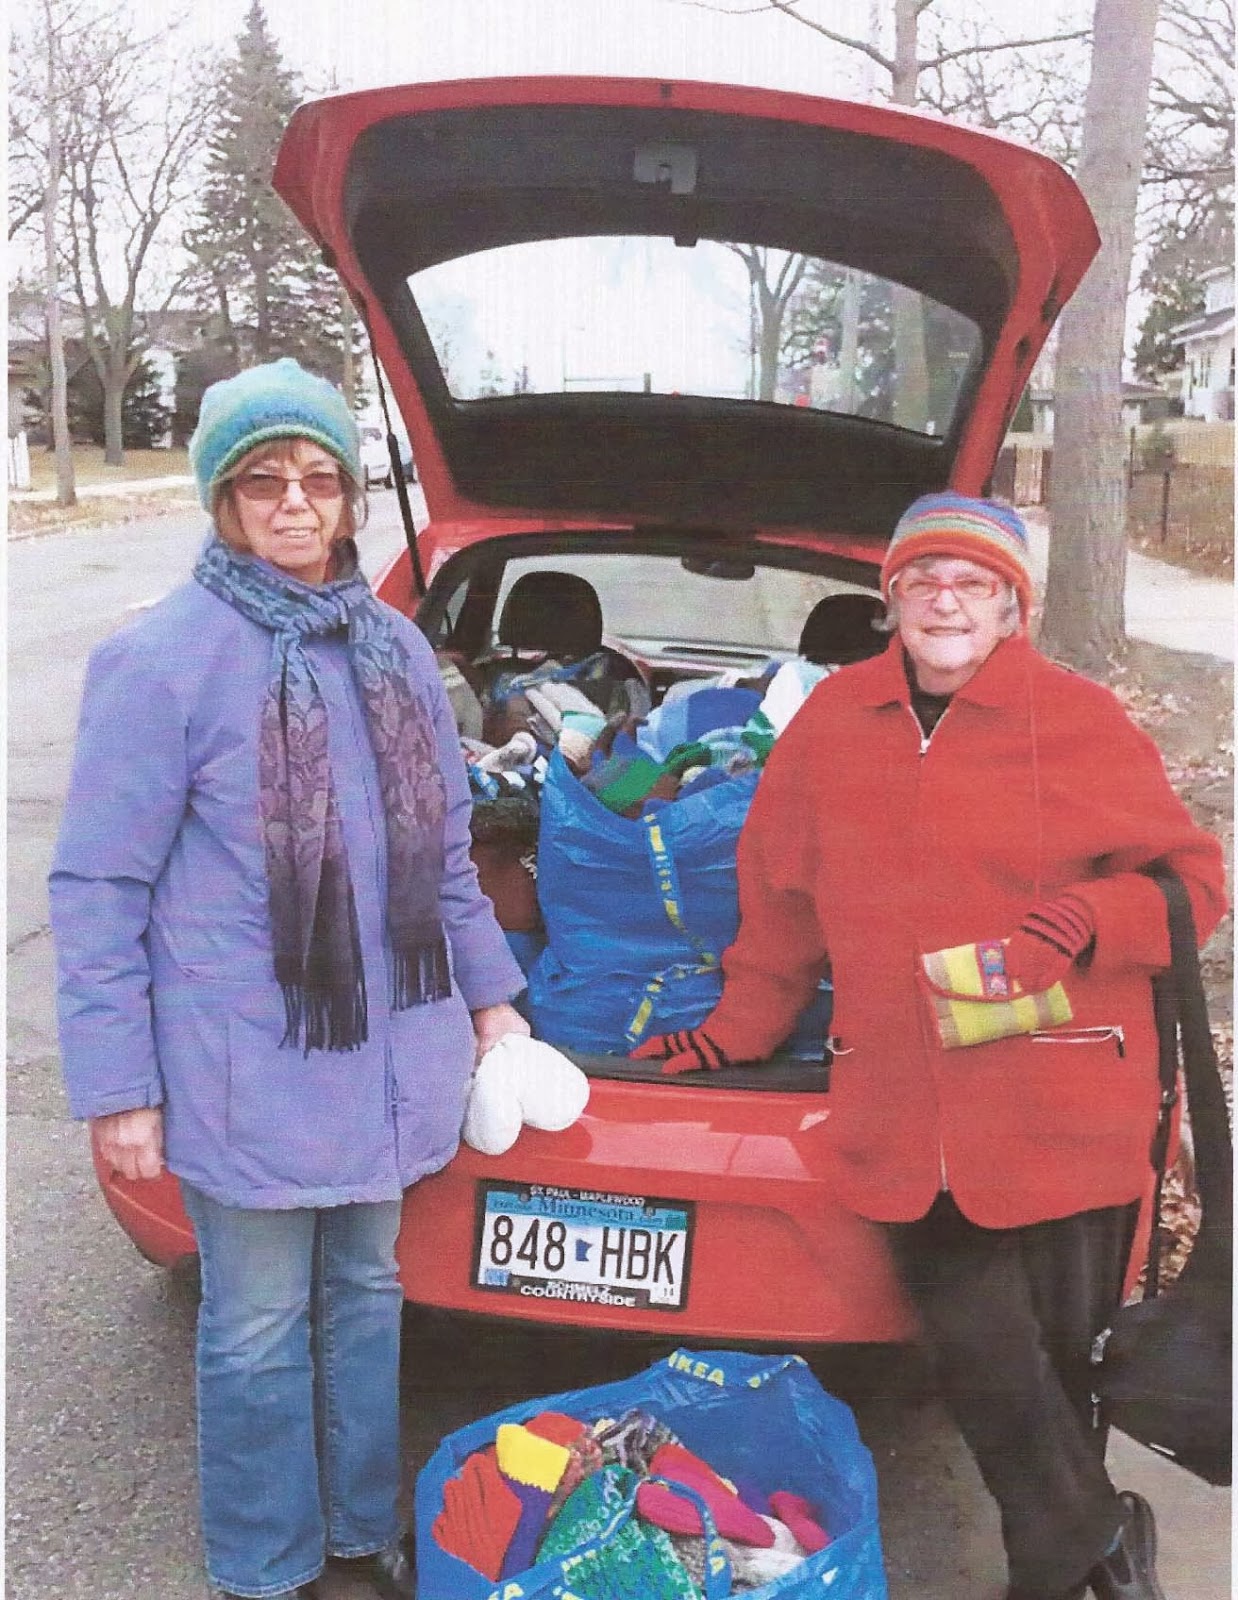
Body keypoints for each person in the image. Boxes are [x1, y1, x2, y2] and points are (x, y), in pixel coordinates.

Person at [633, 492, 1227, 1600]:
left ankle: (1057, 1573)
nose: (945, 599)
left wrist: (1086, 918)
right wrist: (736, 1029)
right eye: (922, 582)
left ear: (1011, 606)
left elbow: (1195, 885)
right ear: (890, 601)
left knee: (1057, 1367)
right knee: (982, 1357)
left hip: (1061, 1104)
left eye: (971, 583)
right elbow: (779, 898)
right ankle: (1096, 1540)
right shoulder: (832, 724)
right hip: (905, 1112)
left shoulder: (1079, 719)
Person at [49, 358, 528, 1600]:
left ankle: (360, 1540)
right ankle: (266, 1566)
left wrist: (492, 1000)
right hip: (242, 1064)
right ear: (221, 500)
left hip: (389, 1059)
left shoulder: (397, 652)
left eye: (319, 478)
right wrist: (119, 1090)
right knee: (256, 1328)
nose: (295, 503)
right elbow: (98, 889)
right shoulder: (161, 661)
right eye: (263, 481)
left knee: (368, 1299)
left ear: (350, 497)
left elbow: (446, 858)